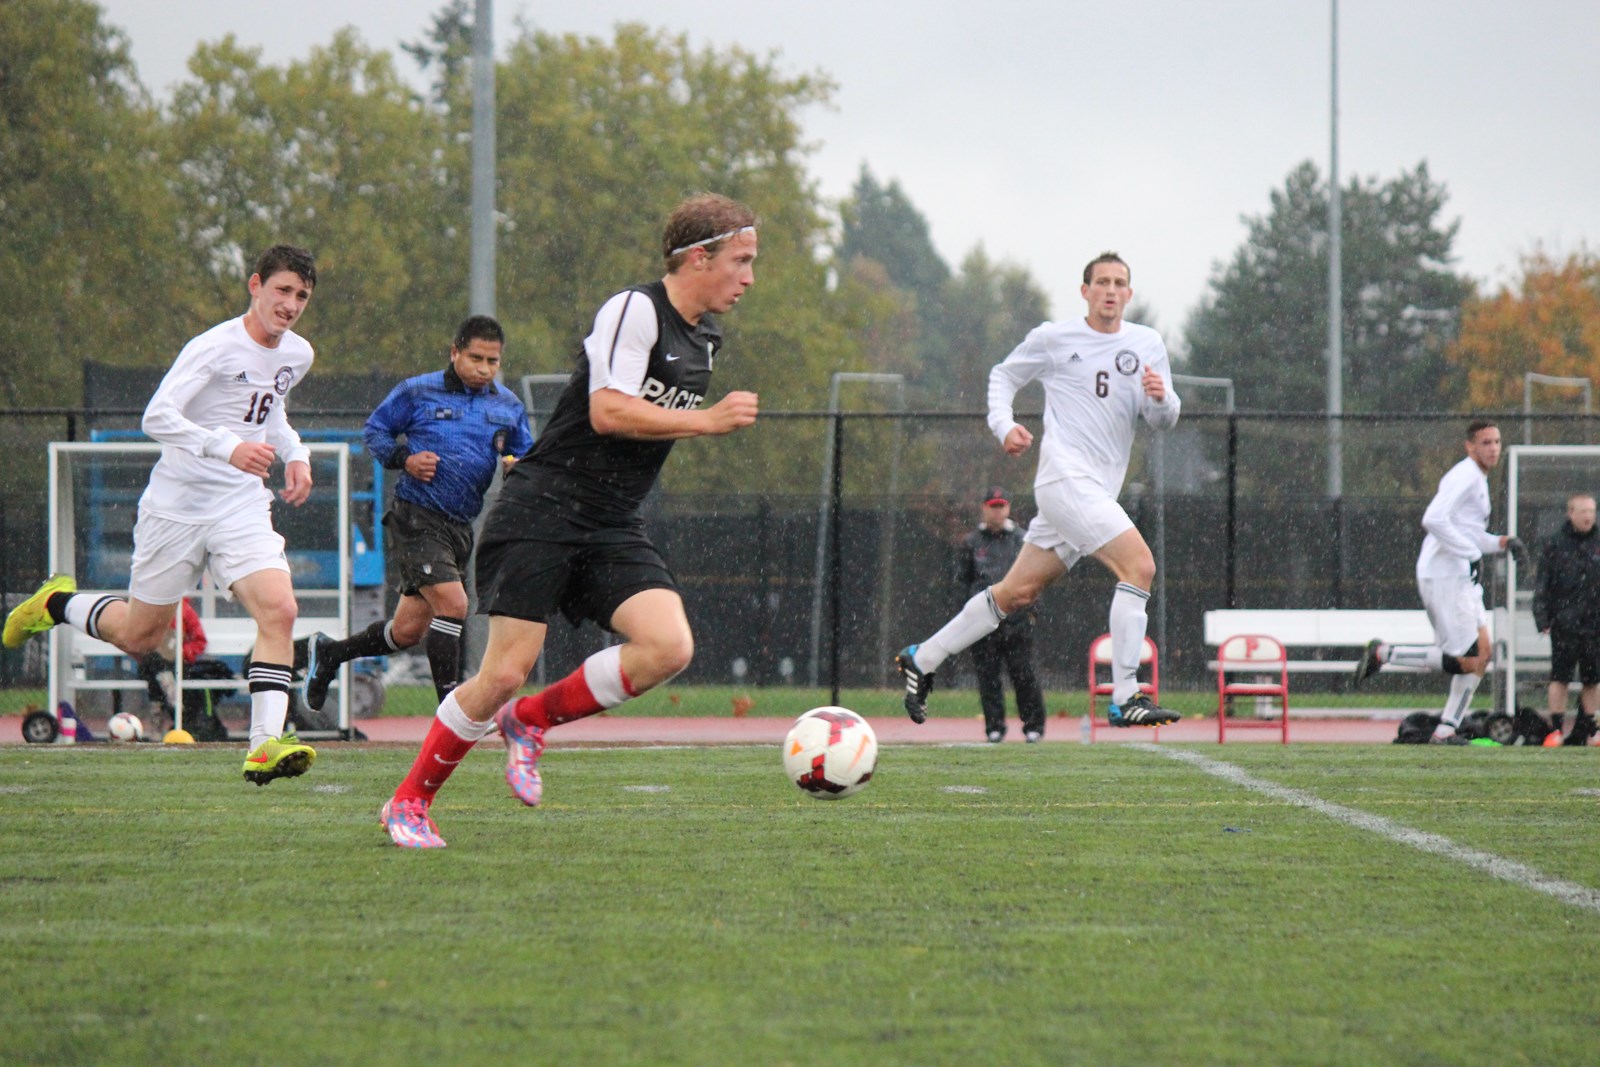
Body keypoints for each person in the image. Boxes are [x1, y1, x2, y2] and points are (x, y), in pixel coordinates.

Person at [379, 193, 760, 848]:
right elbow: (609, 410)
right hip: (544, 507)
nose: (749, 278)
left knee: (669, 646)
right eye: (742, 260)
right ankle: (408, 802)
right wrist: (706, 419)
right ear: (700, 257)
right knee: (501, 671)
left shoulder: (706, 340)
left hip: (610, 521)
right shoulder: (634, 309)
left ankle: (529, 721)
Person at [3, 245, 321, 782]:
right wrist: (227, 448)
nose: (290, 305)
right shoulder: (213, 347)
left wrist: (296, 454)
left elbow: (271, 409)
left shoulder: (298, 354)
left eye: (302, 297)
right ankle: (56, 602)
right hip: (176, 508)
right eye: (282, 291)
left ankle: (266, 742)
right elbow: (157, 415)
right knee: (139, 636)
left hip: (241, 505)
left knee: (280, 611)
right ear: (255, 285)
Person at [895, 251, 1181, 728]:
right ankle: (1128, 695)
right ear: (1085, 291)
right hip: (1064, 481)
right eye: (1102, 282)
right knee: (1140, 565)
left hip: (1093, 493)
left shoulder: (1147, 344)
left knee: (1015, 593)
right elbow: (1002, 376)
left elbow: (1162, 419)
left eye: (1120, 283)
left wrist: (1162, 397)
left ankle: (922, 658)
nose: (1111, 290)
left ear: (1129, 294)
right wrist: (1003, 424)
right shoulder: (1055, 338)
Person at [300, 315, 534, 712]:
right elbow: (375, 431)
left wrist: (519, 466)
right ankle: (455, 711)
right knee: (454, 605)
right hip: (416, 517)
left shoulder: (507, 405)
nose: (483, 368)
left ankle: (329, 654)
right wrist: (405, 459)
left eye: (492, 361)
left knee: (408, 631)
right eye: (475, 357)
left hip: (460, 526)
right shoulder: (418, 391)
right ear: (454, 352)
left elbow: (525, 451)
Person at [1353, 420, 1527, 743]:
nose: (1493, 448)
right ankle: (1385, 654)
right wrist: (1470, 552)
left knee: (1482, 655)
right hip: (1444, 576)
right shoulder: (1464, 475)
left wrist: (1502, 542)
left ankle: (1447, 728)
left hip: (1461, 577)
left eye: (1497, 441)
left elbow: (1469, 531)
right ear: (1469, 446)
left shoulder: (1477, 479)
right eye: (1485, 442)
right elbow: (1433, 519)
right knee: (1465, 660)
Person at [960, 486, 1046, 743]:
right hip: (983, 624)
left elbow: (1036, 578)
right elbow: (963, 583)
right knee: (988, 677)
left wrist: (1032, 613)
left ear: (1008, 508)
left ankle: (1033, 727)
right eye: (992, 506)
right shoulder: (971, 542)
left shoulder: (1022, 540)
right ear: (984, 508)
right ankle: (994, 728)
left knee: (1024, 675)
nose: (997, 511)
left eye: (1001, 506)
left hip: (1017, 622)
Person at [1532, 491, 1600, 746]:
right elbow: (1543, 585)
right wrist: (1543, 618)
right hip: (1565, 624)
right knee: (1560, 677)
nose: (1588, 517)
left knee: (1592, 680)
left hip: (1594, 625)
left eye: (1591, 511)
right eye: (1583, 511)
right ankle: (1557, 730)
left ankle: (1592, 730)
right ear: (1570, 513)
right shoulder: (1555, 544)